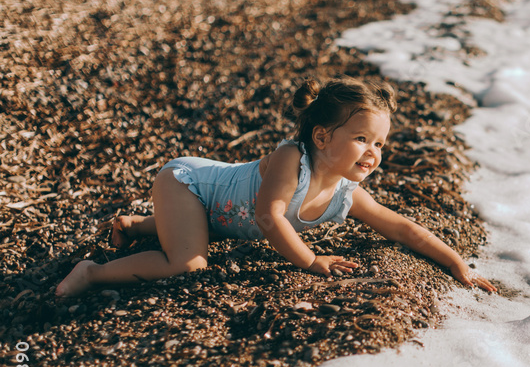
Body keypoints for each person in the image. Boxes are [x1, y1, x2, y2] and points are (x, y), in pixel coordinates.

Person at [55, 76, 496, 297]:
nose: (373, 151)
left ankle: (132, 226)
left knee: (202, 228)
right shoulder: (292, 159)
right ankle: (92, 272)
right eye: (361, 138)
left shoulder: (345, 192)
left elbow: (401, 228)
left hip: (217, 213)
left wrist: (457, 264)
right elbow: (268, 216)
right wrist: (310, 260)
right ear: (322, 137)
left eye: (379, 142)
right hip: (189, 185)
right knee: (188, 265)